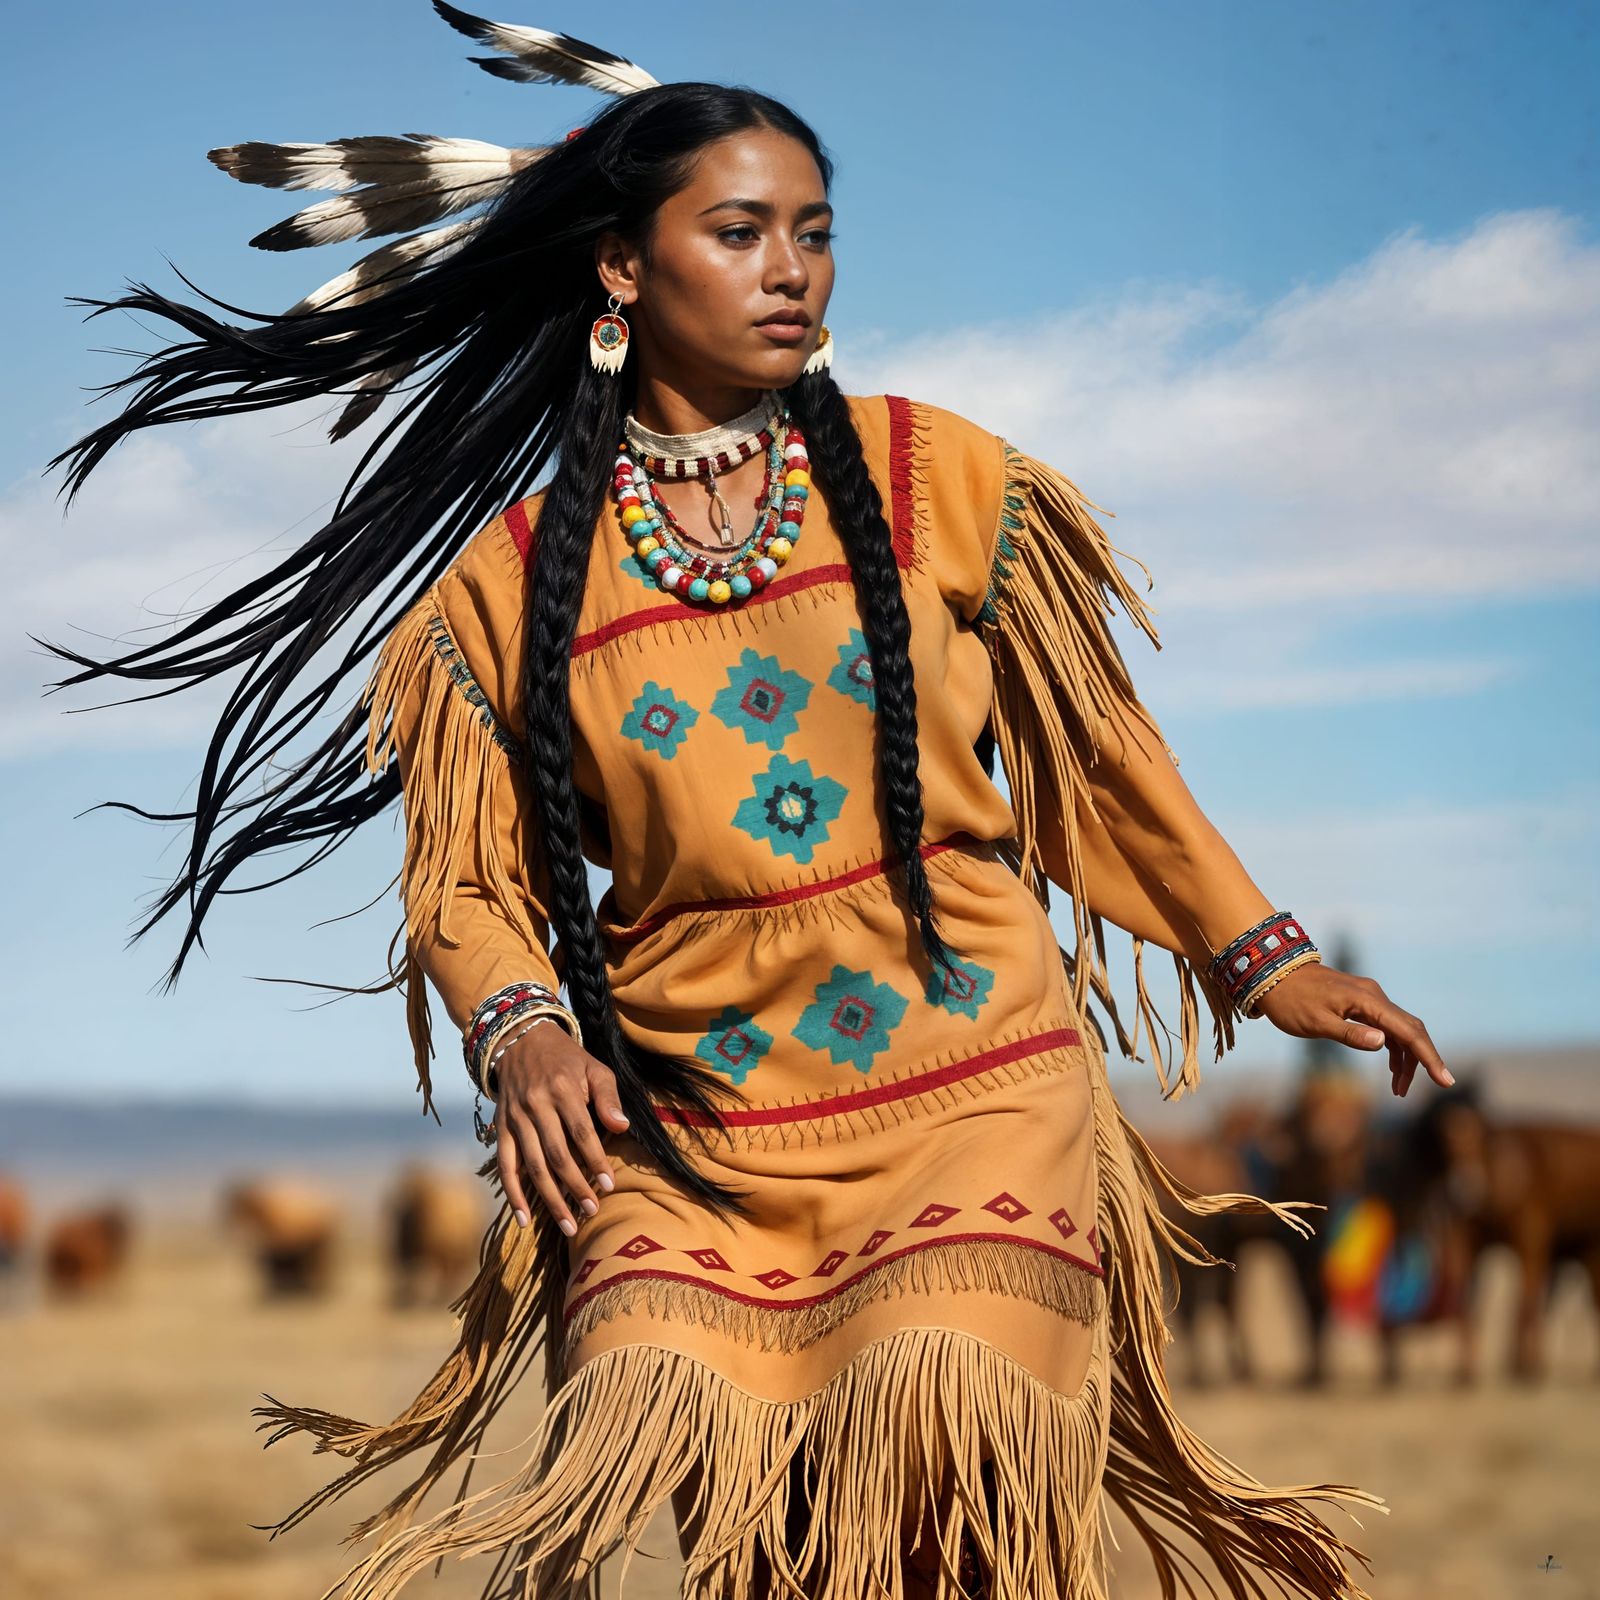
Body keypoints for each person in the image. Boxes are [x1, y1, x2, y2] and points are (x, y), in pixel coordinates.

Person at [44, 11, 1453, 1597]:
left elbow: (1095, 758)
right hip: (685, 1110)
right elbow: (465, 880)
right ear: (623, 272)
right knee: (759, 1551)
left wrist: (1260, 957)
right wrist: (523, 1031)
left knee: (942, 1521)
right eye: (740, 233)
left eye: (815, 234)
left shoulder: (941, 479)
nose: (793, 269)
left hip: (966, 1072)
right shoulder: (506, 592)